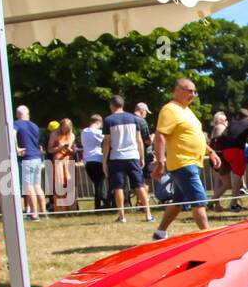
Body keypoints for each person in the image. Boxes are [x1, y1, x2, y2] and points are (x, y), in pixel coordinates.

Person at [152, 78, 221, 240]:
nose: (193, 94)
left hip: (192, 162)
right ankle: (207, 235)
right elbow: (160, 135)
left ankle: (160, 232)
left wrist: (211, 152)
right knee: (199, 200)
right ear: (177, 90)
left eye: (194, 91)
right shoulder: (170, 109)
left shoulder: (188, 111)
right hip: (182, 163)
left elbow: (195, 137)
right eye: (189, 90)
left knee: (179, 200)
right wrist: (160, 161)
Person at [102, 95, 151, 223]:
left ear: (112, 105)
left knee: (118, 187)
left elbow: (107, 142)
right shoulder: (134, 118)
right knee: (139, 185)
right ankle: (148, 214)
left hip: (116, 157)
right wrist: (142, 156)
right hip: (133, 155)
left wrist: (104, 161)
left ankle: (122, 216)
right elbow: (139, 139)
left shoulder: (108, 120)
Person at [12, 105, 45, 220]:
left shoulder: (16, 124)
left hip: (27, 158)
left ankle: (34, 214)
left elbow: (12, 133)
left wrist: (16, 148)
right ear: (28, 114)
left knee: (28, 186)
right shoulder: (35, 126)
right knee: (37, 185)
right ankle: (44, 212)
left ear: (17, 115)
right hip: (37, 158)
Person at [219, 107, 248, 210]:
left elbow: (223, 134)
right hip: (237, 151)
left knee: (234, 175)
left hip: (226, 151)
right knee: (237, 177)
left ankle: (233, 200)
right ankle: (233, 203)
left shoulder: (232, 122)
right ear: (247, 117)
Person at [48, 117, 75, 210]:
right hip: (58, 160)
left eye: (67, 128)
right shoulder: (54, 134)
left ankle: (72, 207)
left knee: (69, 182)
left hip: (67, 159)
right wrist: (59, 147)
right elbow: (50, 149)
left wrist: (70, 150)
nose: (65, 130)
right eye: (63, 127)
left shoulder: (71, 135)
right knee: (59, 183)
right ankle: (61, 208)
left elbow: (72, 150)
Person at [80, 114, 105, 208]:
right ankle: (98, 206)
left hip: (87, 161)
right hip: (97, 160)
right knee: (99, 184)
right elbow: (106, 140)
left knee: (97, 184)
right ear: (98, 122)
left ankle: (101, 202)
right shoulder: (98, 133)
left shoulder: (84, 132)